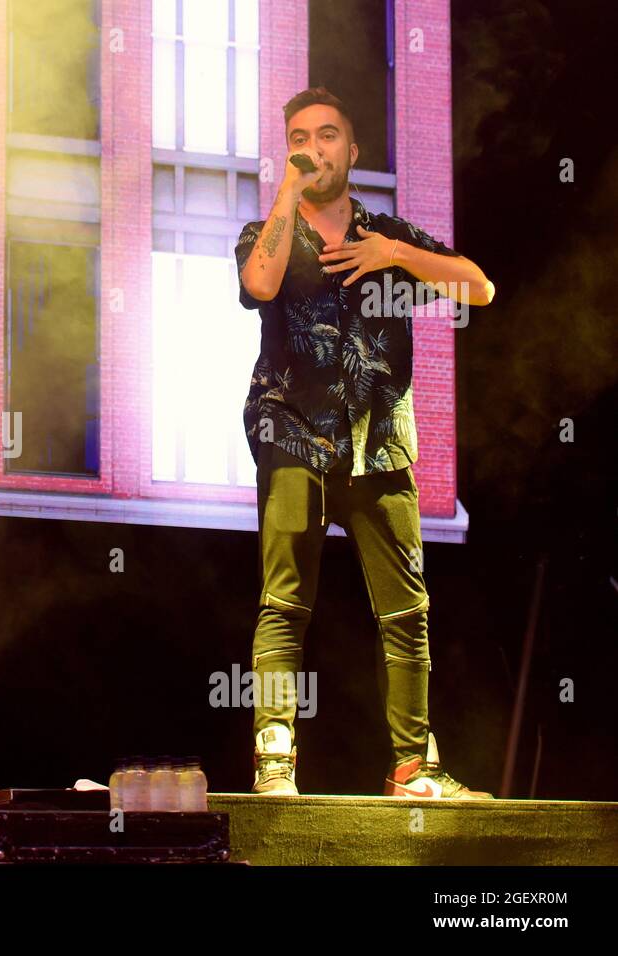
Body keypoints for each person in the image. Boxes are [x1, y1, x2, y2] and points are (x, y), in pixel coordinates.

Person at [235, 88, 495, 799]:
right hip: (293, 433)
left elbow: (480, 287)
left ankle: (415, 769)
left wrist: (396, 254)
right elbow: (260, 282)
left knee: (407, 612)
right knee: (285, 602)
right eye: (299, 136)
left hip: (380, 442)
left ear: (352, 151)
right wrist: (288, 187)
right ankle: (276, 760)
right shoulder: (270, 230)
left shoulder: (388, 236)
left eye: (327, 136)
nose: (313, 147)